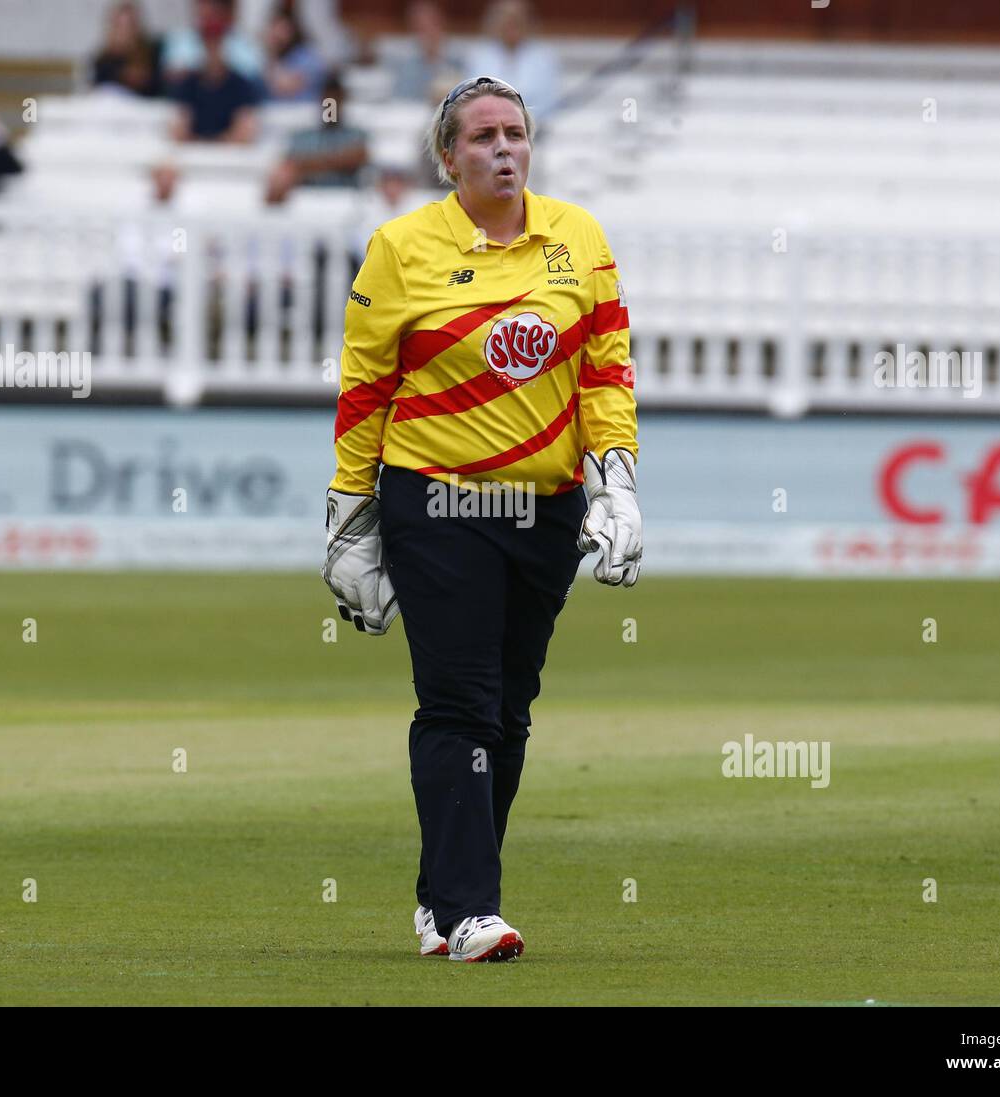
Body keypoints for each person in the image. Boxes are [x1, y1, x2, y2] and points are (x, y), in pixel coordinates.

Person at [320, 77, 641, 963]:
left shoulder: (580, 237)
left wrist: (617, 482)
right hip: (440, 501)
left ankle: (441, 899)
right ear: (448, 157)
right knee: (459, 702)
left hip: (545, 506)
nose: (504, 148)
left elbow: (606, 372)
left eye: (517, 133)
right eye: (484, 137)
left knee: (509, 711)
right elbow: (366, 387)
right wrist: (350, 516)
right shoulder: (401, 247)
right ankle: (470, 912)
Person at [264, 73, 367, 203]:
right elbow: (291, 165)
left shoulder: (357, 134)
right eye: (328, 100)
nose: (331, 106)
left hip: (344, 202)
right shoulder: (303, 137)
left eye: (336, 100)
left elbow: (358, 157)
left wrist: (309, 164)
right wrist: (339, 160)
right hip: (308, 203)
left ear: (343, 100)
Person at [168, 13, 262, 143]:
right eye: (208, 41)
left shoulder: (241, 85)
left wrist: (210, 143)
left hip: (230, 158)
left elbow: (245, 131)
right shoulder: (188, 84)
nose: (212, 47)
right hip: (196, 155)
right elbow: (179, 129)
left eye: (217, 41)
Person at [465, 1, 561, 122]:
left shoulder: (544, 57)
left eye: (516, 20)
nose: (511, 26)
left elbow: (548, 101)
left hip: (534, 127)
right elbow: (473, 96)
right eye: (506, 20)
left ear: (527, 22)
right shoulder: (479, 56)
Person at [92, 0, 162, 98]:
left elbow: (157, 86)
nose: (125, 30)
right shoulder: (103, 57)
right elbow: (100, 87)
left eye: (129, 25)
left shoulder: (152, 51)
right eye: (120, 25)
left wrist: (141, 79)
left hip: (143, 106)